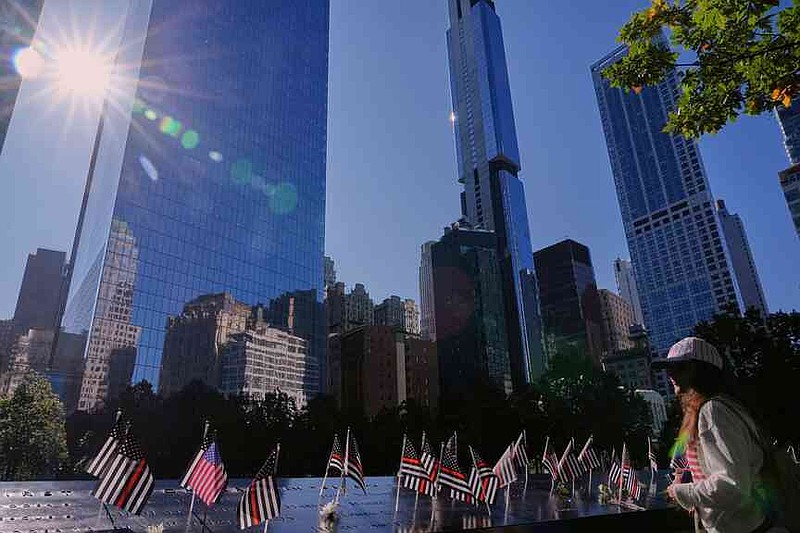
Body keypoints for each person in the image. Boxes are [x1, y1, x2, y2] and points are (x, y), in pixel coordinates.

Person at [654, 336, 788, 533]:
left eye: (681, 367)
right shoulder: (723, 406)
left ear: (703, 372)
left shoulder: (714, 411)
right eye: (669, 368)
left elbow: (731, 486)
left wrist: (680, 492)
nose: (671, 374)